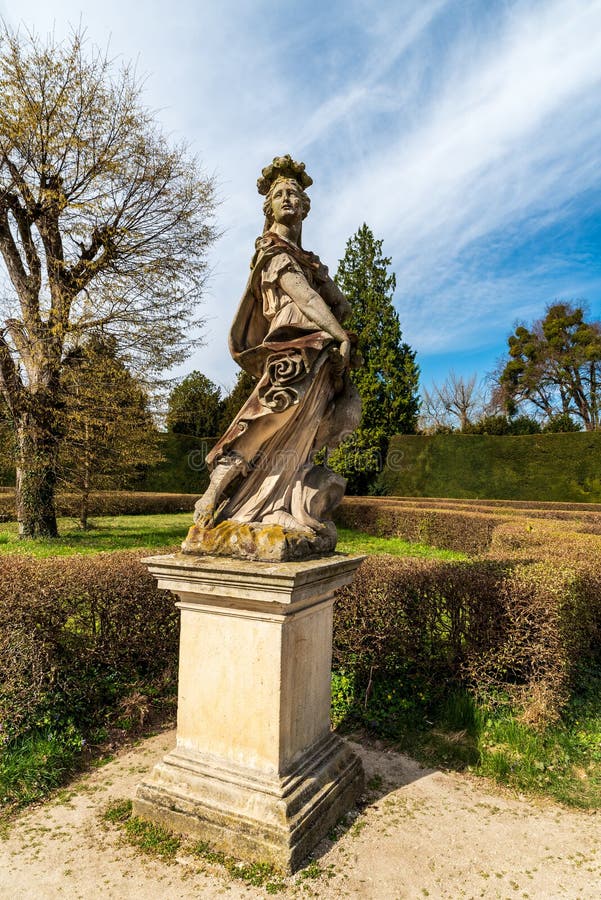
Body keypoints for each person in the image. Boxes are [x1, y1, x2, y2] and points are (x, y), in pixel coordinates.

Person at [193, 155, 360, 537]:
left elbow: (340, 305)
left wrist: (327, 283)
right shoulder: (272, 251)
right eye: (280, 194)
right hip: (293, 340)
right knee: (275, 410)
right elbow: (305, 300)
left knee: (310, 423)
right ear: (268, 207)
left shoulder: (308, 260)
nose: (287, 199)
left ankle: (278, 503)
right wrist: (337, 332)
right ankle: (217, 489)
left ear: (304, 207)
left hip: (319, 344)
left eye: (294, 195)